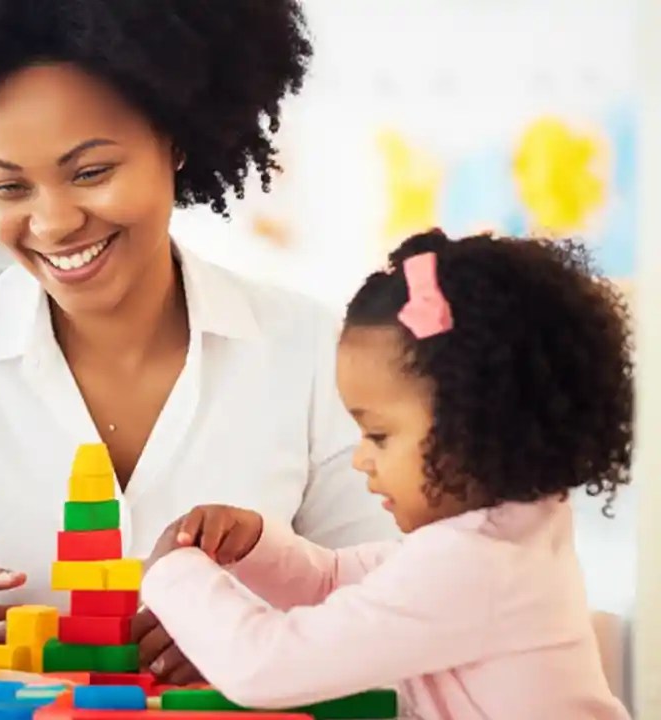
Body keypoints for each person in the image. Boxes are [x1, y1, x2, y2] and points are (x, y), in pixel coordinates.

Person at [0, 0, 397, 684]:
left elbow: (392, 600)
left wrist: (259, 640)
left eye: (91, 172)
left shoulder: (308, 350)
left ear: (175, 141)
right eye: (10, 186)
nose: (53, 221)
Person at [140, 229, 633, 718]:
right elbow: (338, 581)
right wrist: (255, 548)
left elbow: (264, 668)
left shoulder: (471, 564)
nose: (361, 460)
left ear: (475, 424)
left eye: (378, 436)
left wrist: (174, 574)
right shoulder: (513, 531)